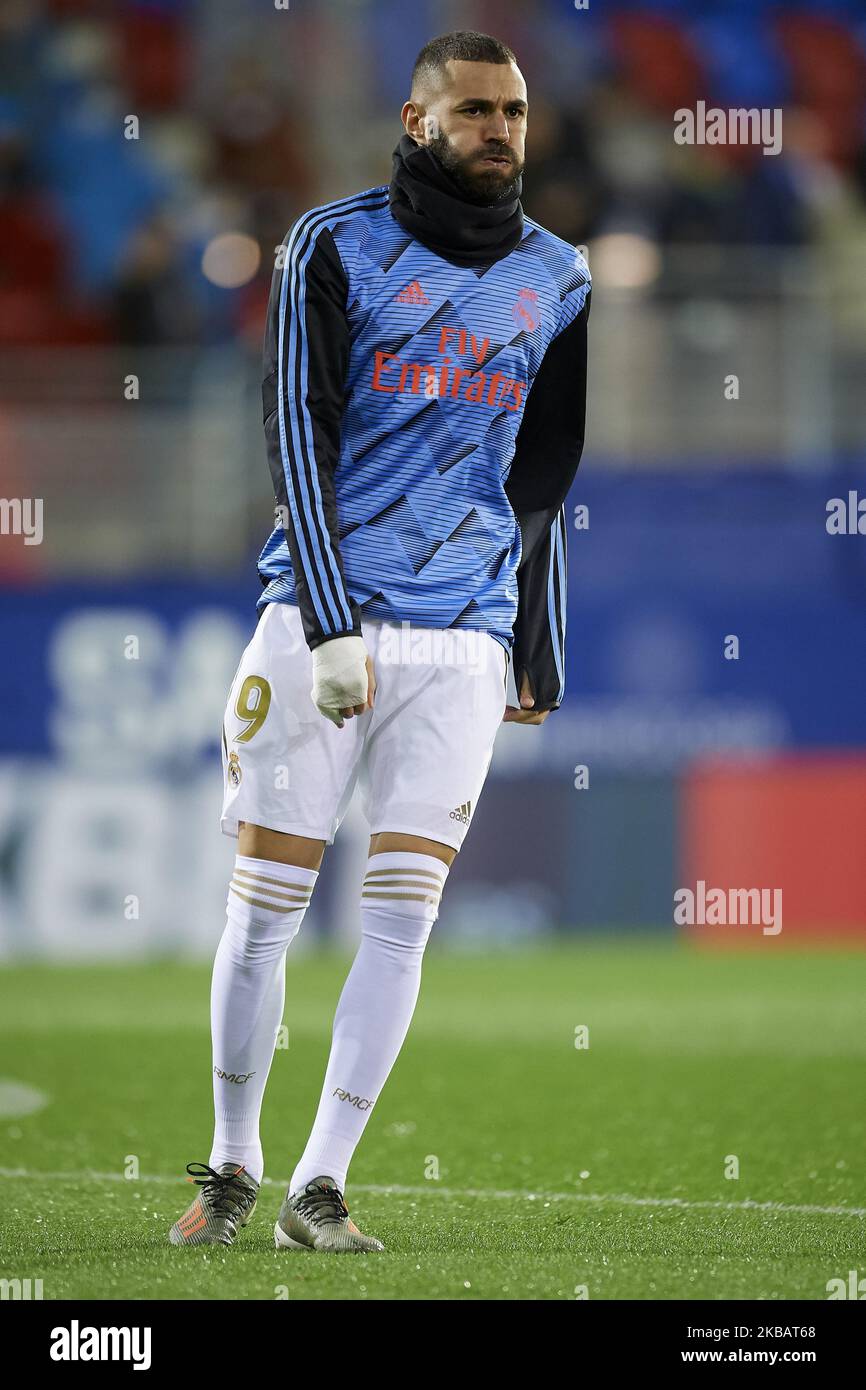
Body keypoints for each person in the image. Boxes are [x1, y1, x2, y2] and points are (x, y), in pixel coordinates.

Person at [169, 29, 590, 1254]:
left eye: (511, 110)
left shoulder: (559, 276)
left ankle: (319, 1183)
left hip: (465, 635)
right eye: (472, 111)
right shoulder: (331, 243)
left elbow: (543, 473)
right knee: (263, 911)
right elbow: (294, 432)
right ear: (415, 123)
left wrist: (534, 643)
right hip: (322, 622)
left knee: (401, 918)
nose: (498, 130)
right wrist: (328, 618)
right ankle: (235, 1160)